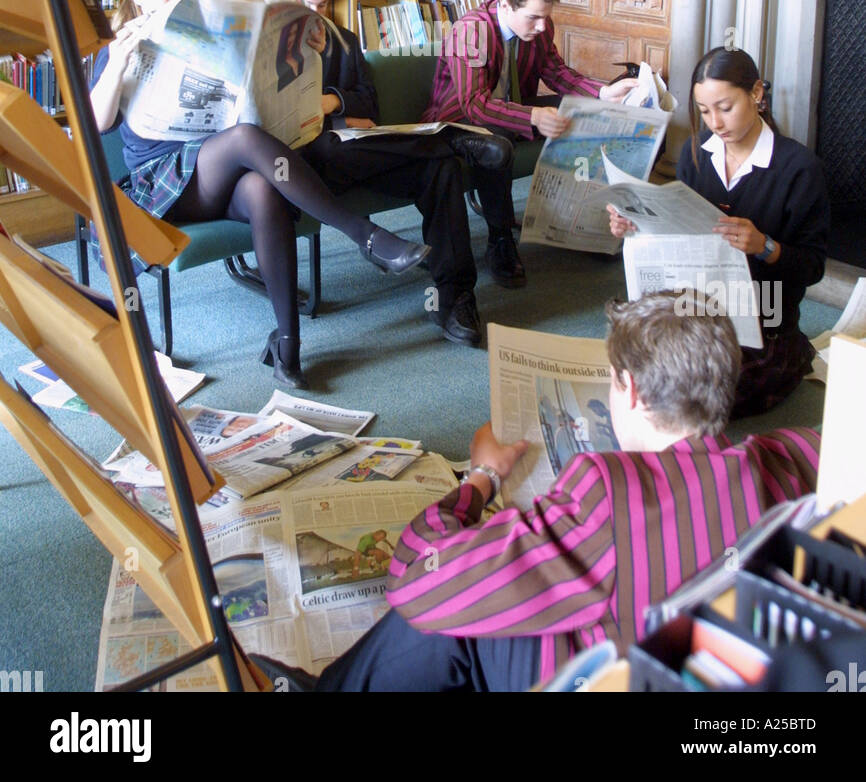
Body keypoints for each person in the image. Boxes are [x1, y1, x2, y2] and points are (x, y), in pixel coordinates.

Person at [253, 292, 820, 692]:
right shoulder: (788, 459)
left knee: (455, 613)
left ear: (631, 392)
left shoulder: (606, 493)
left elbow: (417, 578)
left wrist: (480, 480)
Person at [89, 0, 431, 390]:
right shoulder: (118, 49)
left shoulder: (205, 41)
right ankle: (364, 235)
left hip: (215, 172)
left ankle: (288, 344)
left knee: (262, 190)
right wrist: (118, 61)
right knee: (245, 138)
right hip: (161, 184)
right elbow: (97, 123)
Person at [290, 0, 512, 348]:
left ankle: (454, 296)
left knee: (440, 169)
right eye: (306, 5)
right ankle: (449, 137)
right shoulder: (265, 52)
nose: (316, 15)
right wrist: (334, 109)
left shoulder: (343, 41)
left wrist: (332, 102)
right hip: (307, 170)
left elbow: (368, 107)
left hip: (364, 153)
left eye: (322, 5)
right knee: (328, 145)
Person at [608, 46, 831, 418]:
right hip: (698, 312)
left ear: (757, 94)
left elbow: (812, 267)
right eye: (705, 111)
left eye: (725, 108)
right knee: (637, 359)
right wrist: (636, 226)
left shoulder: (800, 168)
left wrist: (766, 246)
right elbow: (676, 235)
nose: (715, 122)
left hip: (765, 317)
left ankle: (792, 354)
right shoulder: (696, 154)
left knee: (697, 397)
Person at [422, 0, 637, 286]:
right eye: (534, 17)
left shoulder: (538, 28)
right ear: (505, 5)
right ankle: (500, 239)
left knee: (591, 115)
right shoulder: (471, 31)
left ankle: (587, 226)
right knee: (496, 142)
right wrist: (533, 117)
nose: (541, 26)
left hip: (513, 110)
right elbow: (474, 105)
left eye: (545, 17)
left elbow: (557, 74)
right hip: (457, 125)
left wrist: (603, 93)